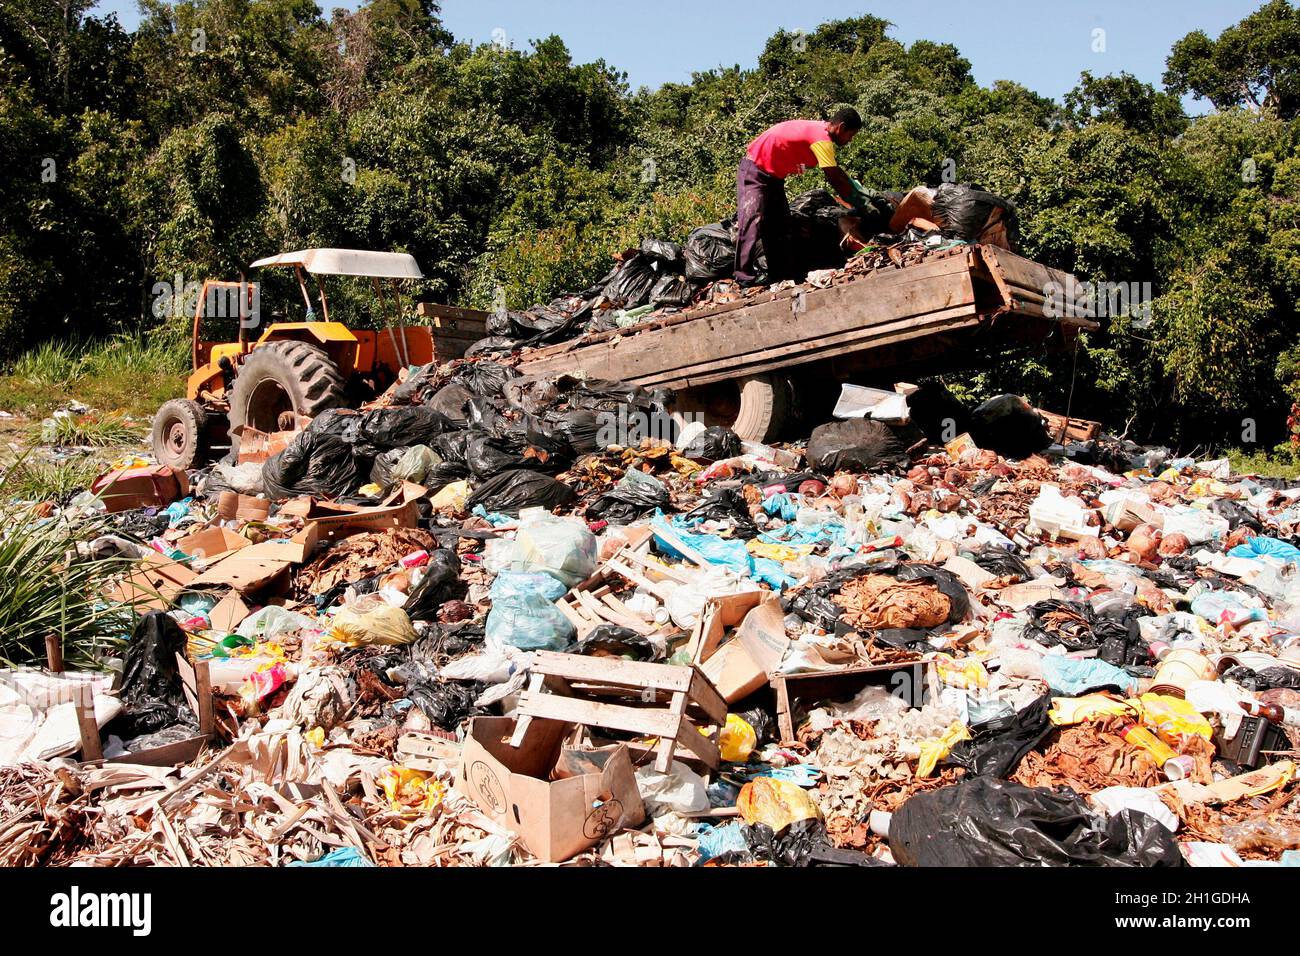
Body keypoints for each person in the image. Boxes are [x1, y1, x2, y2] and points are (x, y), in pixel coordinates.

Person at [734, 107, 865, 285]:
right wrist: (858, 202)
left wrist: (857, 190)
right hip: (755, 171)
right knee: (752, 221)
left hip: (774, 178)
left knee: (780, 226)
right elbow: (833, 177)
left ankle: (780, 276)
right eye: (851, 135)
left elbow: (837, 172)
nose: (850, 140)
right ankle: (743, 277)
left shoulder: (821, 134)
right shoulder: (821, 139)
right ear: (841, 127)